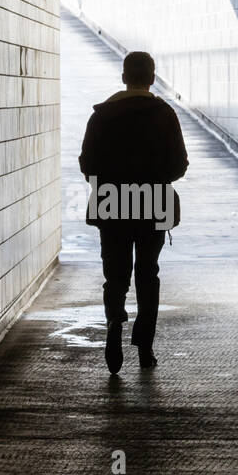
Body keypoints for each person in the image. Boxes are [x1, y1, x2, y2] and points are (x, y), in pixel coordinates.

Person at [78, 51, 188, 374]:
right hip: (152, 203)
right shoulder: (165, 115)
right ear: (152, 78)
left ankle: (114, 322)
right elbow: (179, 164)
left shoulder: (101, 115)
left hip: (112, 203)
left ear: (124, 77)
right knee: (147, 273)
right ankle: (145, 345)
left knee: (115, 274)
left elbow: (87, 163)